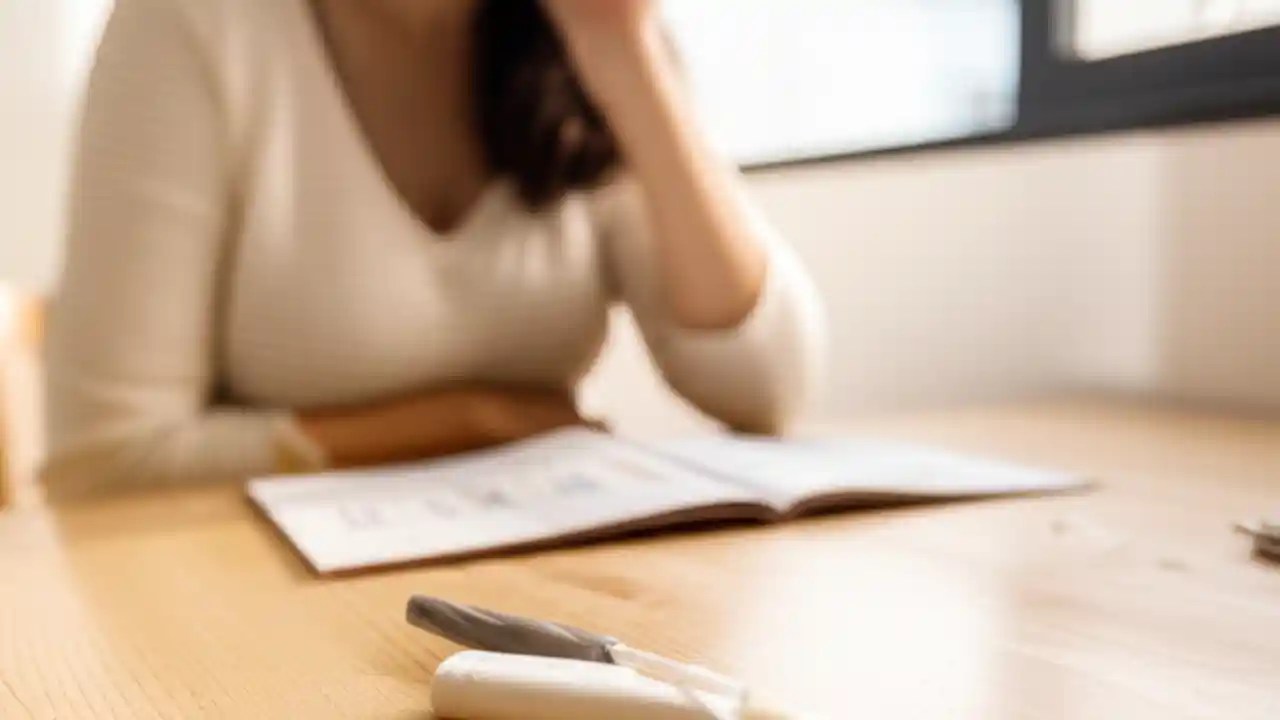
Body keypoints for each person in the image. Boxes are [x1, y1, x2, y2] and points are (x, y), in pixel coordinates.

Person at [44, 0, 825, 497]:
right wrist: (471, 421)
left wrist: (624, 49)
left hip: (540, 586)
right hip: (242, 609)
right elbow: (106, 460)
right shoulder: (189, 25)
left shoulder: (591, 33)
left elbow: (764, 387)